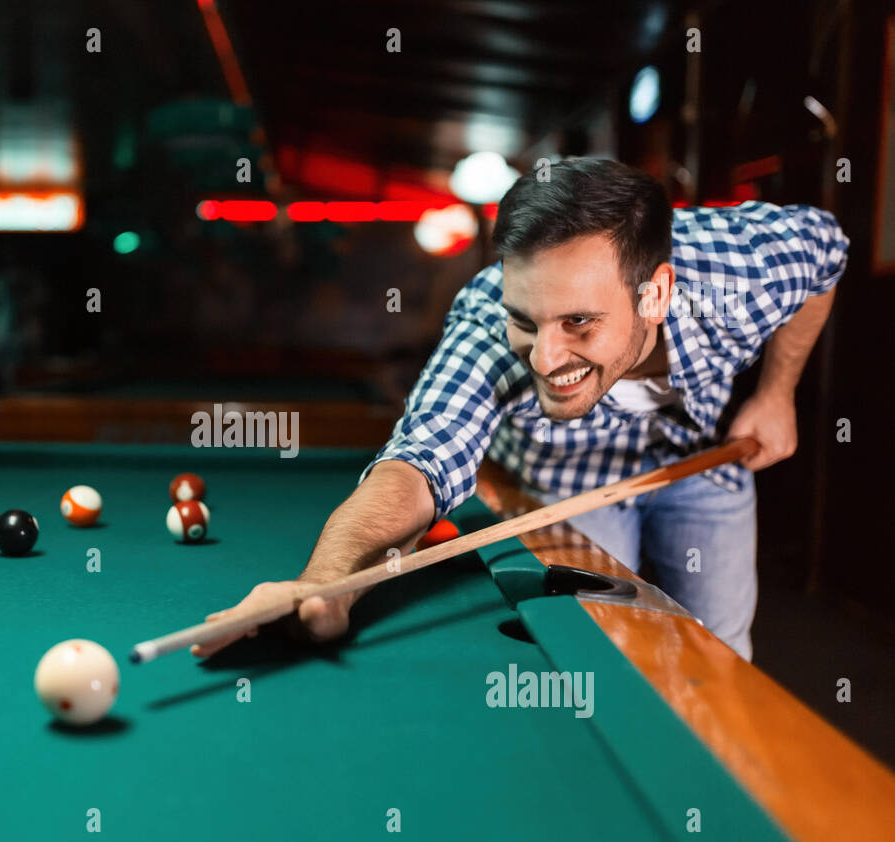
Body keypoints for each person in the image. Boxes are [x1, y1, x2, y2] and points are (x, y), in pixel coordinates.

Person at [198, 157, 848, 662]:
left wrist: (775, 394)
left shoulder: (742, 270)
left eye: (579, 322)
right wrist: (325, 584)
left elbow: (829, 249)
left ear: (656, 294)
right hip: (569, 484)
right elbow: (416, 465)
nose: (543, 358)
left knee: (722, 652)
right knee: (603, 647)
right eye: (525, 320)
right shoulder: (485, 321)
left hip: (705, 460)